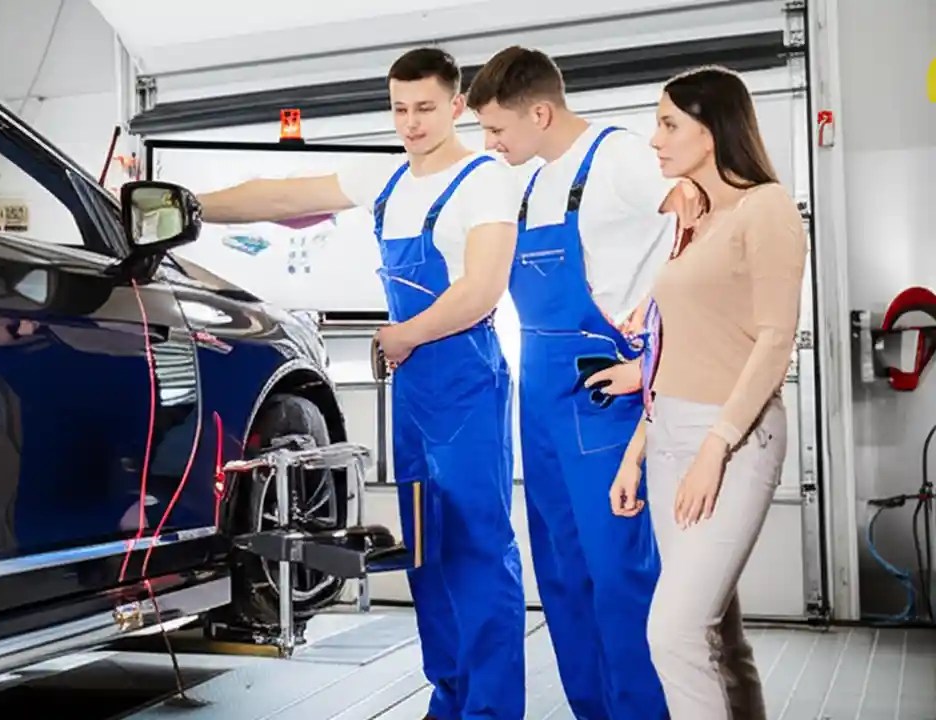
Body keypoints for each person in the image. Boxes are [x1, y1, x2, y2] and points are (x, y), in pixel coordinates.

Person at [192, 47, 528, 720]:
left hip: (465, 377)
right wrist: (188, 205)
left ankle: (492, 711)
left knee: (478, 547)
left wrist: (404, 335)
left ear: (457, 105)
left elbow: (483, 288)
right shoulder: (388, 177)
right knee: (427, 550)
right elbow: (279, 196)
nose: (411, 122)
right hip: (414, 387)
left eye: (425, 108)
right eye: (399, 109)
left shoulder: (485, 178)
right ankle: (449, 701)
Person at [465, 46, 701, 720]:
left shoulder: (618, 156)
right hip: (540, 395)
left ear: (540, 113)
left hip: (602, 396)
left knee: (619, 573)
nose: (490, 143)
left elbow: (699, 215)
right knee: (563, 575)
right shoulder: (533, 182)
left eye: (497, 129)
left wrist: (657, 343)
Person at [609, 65, 807, 719]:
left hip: (732, 436)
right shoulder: (697, 222)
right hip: (669, 434)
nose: (655, 138)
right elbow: (673, 349)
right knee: (716, 635)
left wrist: (715, 447)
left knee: (674, 634)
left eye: (669, 124)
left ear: (712, 129)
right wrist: (637, 453)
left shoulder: (767, 209)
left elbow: (775, 340)